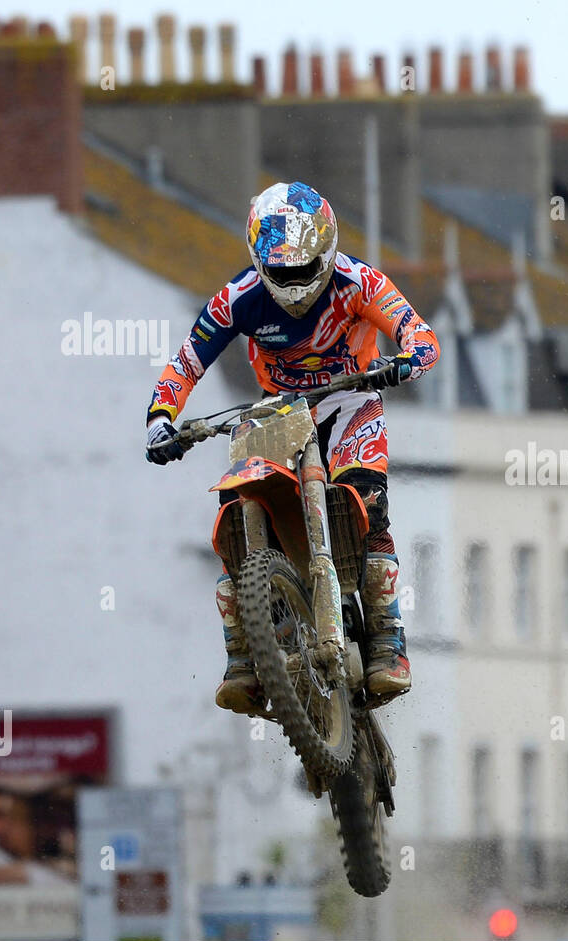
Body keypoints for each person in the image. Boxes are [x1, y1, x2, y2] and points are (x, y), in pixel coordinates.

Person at [145, 180, 438, 712]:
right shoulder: (237, 299)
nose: (296, 286)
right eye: (282, 274)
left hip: (350, 402)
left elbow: (420, 334)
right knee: (236, 512)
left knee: (367, 505)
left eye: (305, 271)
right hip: (276, 410)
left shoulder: (360, 282)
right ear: (259, 262)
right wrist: (161, 418)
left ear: (327, 250)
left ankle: (388, 640)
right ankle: (241, 653)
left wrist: (406, 360)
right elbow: (188, 360)